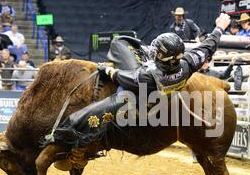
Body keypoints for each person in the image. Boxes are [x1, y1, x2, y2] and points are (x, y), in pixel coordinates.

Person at [45, 13, 231, 150]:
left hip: (136, 102)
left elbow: (121, 77)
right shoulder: (188, 64)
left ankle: (58, 137)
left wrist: (106, 69)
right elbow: (209, 45)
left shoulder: (146, 75)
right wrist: (220, 27)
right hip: (162, 99)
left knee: (87, 115)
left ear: (160, 56)